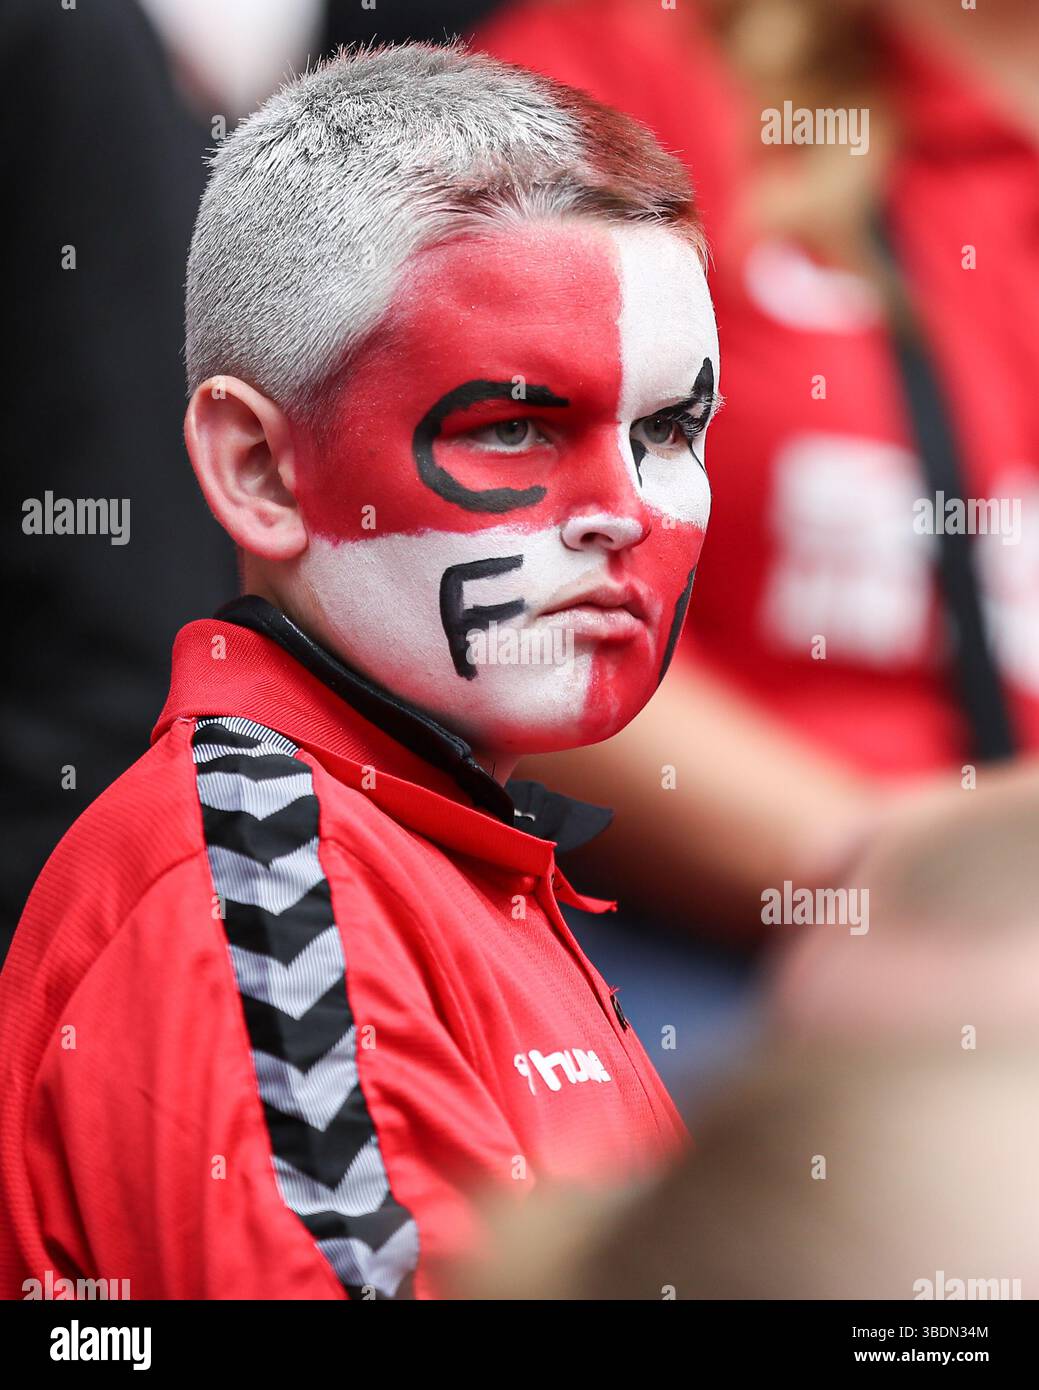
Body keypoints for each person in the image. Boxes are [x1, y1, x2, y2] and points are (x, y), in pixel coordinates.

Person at [0, 42, 722, 1300]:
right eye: (514, 426)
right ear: (259, 470)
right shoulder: (260, 903)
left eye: (668, 429)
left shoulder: (425, 834)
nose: (625, 511)